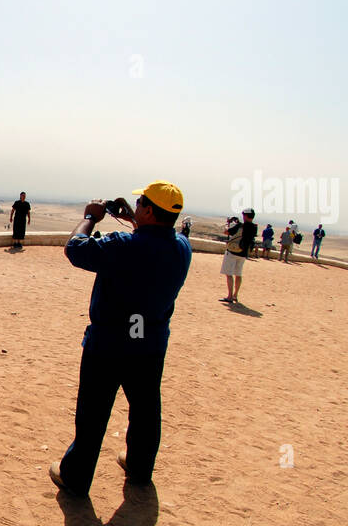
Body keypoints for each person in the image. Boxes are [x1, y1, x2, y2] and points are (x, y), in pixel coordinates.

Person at [49, 181, 191, 497]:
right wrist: (135, 221)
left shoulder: (124, 246)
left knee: (93, 414)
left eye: (141, 202)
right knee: (145, 410)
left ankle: (75, 476)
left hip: (108, 345)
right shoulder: (182, 247)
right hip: (150, 344)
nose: (136, 204)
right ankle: (140, 468)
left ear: (150, 210)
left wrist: (90, 216)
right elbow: (155, 244)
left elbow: (75, 248)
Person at [220, 208, 257, 304]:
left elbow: (227, 232)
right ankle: (235, 295)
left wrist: (228, 224)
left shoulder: (241, 226)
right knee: (238, 274)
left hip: (232, 251)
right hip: (244, 253)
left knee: (229, 274)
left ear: (245, 215)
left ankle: (229, 296)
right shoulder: (254, 227)